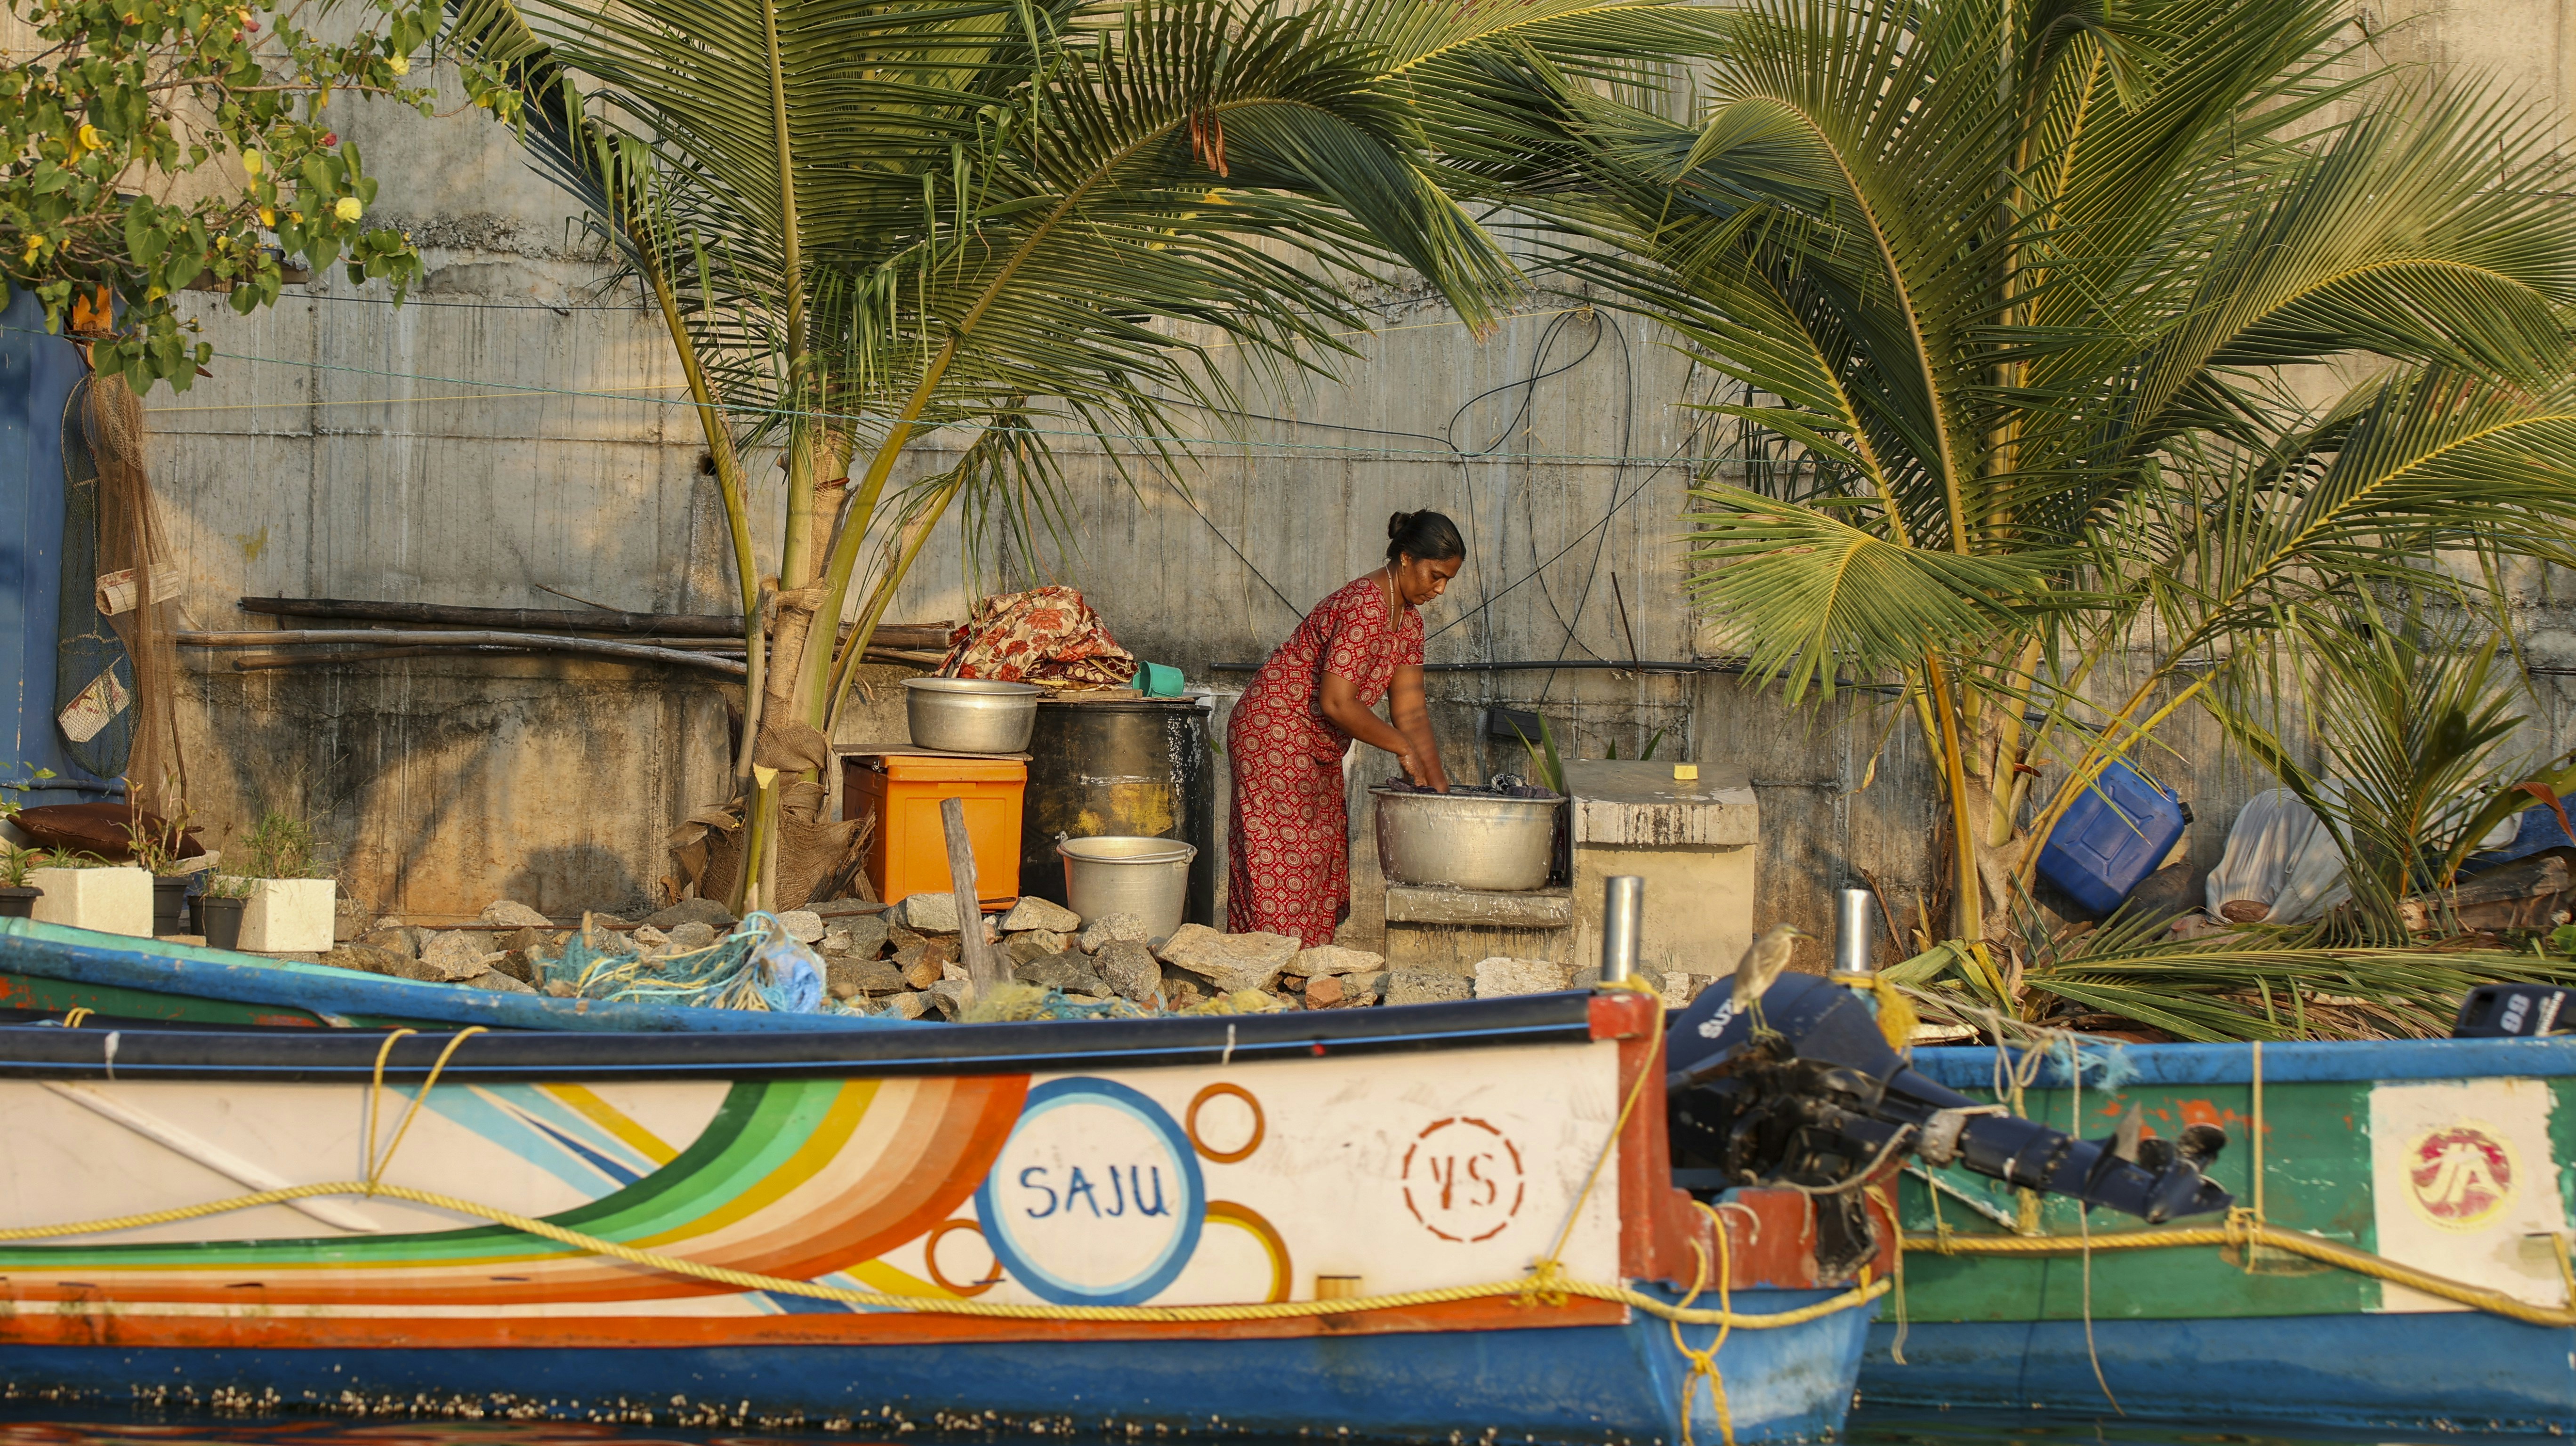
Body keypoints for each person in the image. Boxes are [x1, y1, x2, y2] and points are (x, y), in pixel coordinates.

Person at [1226, 510, 1464, 945]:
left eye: (1447, 580)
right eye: (1435, 575)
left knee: (1317, 858)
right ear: (1407, 558)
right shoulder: (1365, 604)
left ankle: (1304, 977)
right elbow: (1337, 702)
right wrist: (1401, 749)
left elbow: (1411, 712)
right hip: (1274, 730)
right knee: (1283, 862)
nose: (1440, 589)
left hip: (1313, 742)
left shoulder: (1408, 621)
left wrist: (1440, 787)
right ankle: (1266, 978)